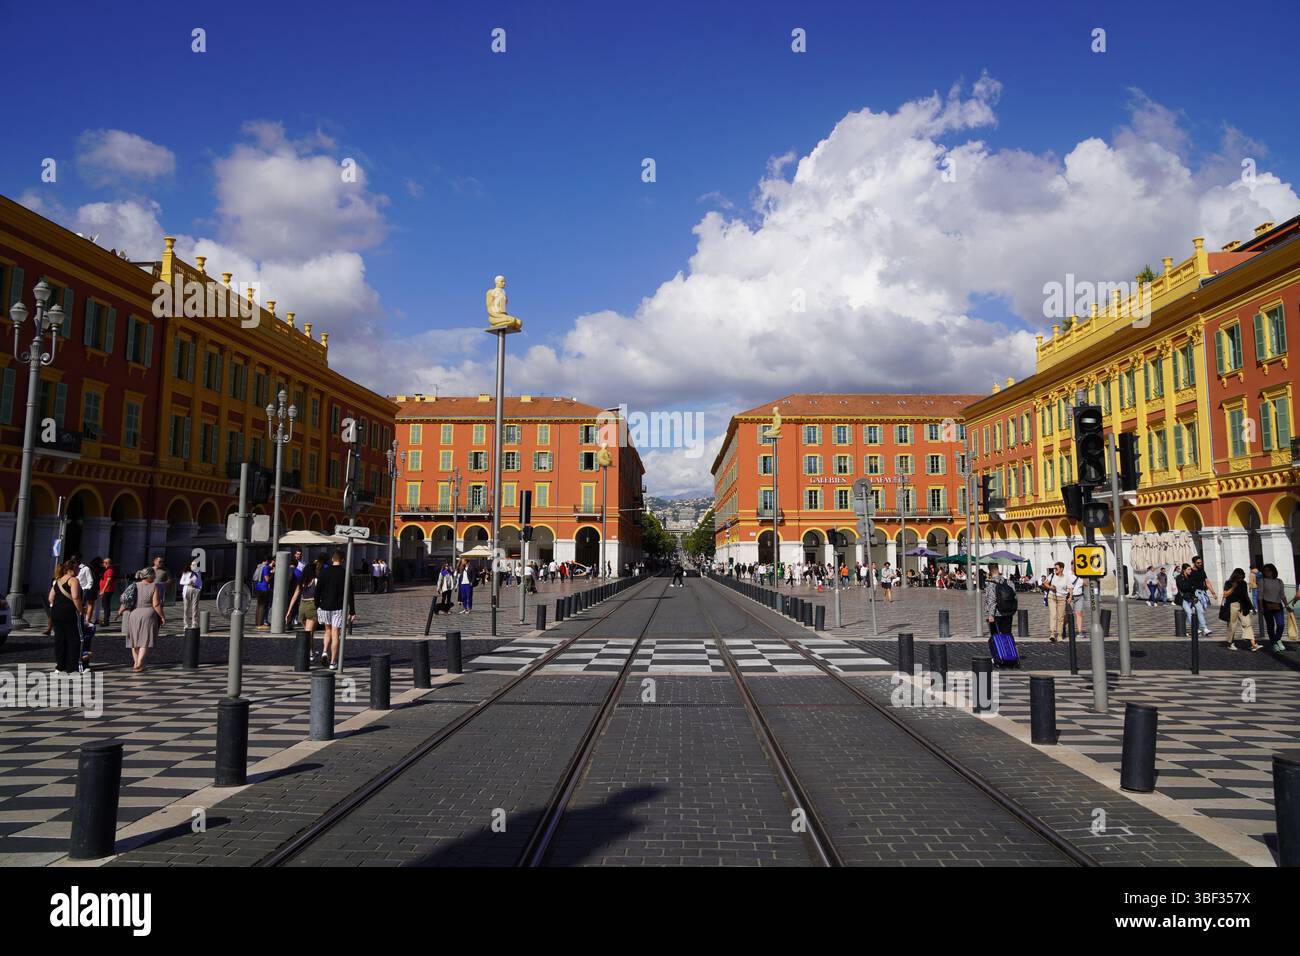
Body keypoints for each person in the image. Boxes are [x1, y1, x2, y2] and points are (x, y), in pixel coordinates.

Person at [315, 551, 354, 670]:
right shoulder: (345, 573)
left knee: (327, 630)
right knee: (335, 633)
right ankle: (333, 662)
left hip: (325, 606)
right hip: (338, 607)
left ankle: (325, 651)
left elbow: (317, 591)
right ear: (342, 560)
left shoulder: (324, 572)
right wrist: (352, 611)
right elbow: (350, 593)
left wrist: (317, 605)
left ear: (332, 559)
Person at [48, 560, 84, 674]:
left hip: (56, 612)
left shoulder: (58, 580)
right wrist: (81, 610)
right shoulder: (73, 580)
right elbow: (76, 596)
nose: (79, 570)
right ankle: (71, 666)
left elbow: (50, 598)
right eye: (78, 568)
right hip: (68, 612)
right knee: (73, 638)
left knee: (59, 639)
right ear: (72, 569)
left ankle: (60, 666)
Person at [127, 567, 165, 673]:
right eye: (154, 575)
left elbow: (126, 599)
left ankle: (136, 663)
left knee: (134, 641)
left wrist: (120, 612)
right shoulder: (154, 586)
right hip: (148, 613)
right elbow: (156, 604)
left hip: (134, 614)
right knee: (145, 640)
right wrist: (162, 616)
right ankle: (139, 663)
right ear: (150, 576)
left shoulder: (134, 585)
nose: (155, 577)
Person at [1220, 567, 1261, 651]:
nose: (1241, 579)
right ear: (1235, 576)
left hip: (1243, 606)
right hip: (1232, 605)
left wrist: (1252, 606)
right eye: (1240, 577)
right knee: (1232, 625)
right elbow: (1225, 594)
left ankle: (1253, 644)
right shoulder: (1228, 583)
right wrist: (1233, 587)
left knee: (1247, 623)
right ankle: (1231, 643)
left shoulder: (1243, 583)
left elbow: (1246, 595)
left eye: (1242, 577)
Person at [287, 561, 320, 660]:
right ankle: (308, 653)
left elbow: (294, 597)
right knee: (309, 633)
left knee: (309, 632)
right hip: (311, 606)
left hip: (302, 607)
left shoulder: (301, 581)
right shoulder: (315, 580)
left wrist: (289, 611)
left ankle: (311, 651)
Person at [1180, 556, 1217, 637]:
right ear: (1194, 563)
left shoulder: (1202, 570)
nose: (1200, 564)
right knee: (1199, 610)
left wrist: (1213, 592)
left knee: (1196, 611)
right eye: (1198, 563)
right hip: (1194, 593)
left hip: (1202, 592)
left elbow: (1207, 581)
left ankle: (1188, 628)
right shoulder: (1190, 571)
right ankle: (1204, 628)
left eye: (1201, 562)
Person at [1258, 563, 1289, 653]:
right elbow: (1260, 596)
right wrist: (1260, 607)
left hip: (1278, 604)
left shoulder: (1279, 581)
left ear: (1273, 571)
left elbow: (1282, 595)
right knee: (1270, 625)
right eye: (1265, 570)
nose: (1266, 572)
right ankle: (1273, 643)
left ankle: (1277, 639)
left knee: (1281, 624)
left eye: (1269, 570)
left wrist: (1286, 605)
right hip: (1266, 605)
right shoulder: (1262, 581)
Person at [985, 565, 1018, 640]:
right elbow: (1014, 596)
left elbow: (992, 600)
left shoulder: (991, 584)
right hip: (1008, 612)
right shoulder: (1009, 582)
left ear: (990, 572)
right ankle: (1009, 650)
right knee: (1007, 634)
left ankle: (1000, 651)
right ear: (998, 569)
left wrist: (991, 615)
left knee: (996, 637)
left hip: (997, 614)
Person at [1043, 562, 1072, 642]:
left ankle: (1059, 634)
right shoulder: (1052, 575)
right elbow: (1045, 583)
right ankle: (1052, 633)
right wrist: (1050, 587)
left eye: (1057, 568)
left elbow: (1070, 588)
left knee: (1060, 617)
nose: (1055, 570)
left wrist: (1070, 597)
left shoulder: (1066, 578)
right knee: (1053, 615)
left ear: (1062, 569)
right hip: (1052, 597)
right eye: (1054, 568)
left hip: (1062, 598)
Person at [179, 560, 203, 632]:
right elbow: (181, 582)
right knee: (186, 608)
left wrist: (199, 588)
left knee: (195, 607)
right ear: (190, 565)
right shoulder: (186, 573)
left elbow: (199, 581)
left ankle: (194, 624)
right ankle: (186, 625)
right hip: (187, 588)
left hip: (195, 589)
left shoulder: (198, 572)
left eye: (195, 565)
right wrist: (188, 582)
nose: (194, 566)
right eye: (192, 565)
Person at [73, 555, 94, 626]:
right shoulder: (71, 569)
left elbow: (90, 581)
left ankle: (82, 623)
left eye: (75, 560)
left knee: (81, 608)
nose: (73, 562)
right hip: (73, 590)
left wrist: (85, 590)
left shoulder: (86, 568)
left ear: (79, 559)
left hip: (82, 591)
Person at [94, 557, 115, 626]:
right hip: (105, 590)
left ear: (106, 563)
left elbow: (108, 580)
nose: (102, 564)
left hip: (107, 590)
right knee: (105, 605)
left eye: (103, 562)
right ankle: (105, 620)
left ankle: (106, 621)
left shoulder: (109, 570)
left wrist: (103, 590)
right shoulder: (106, 570)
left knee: (106, 605)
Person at [252, 557, 272, 629]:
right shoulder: (265, 567)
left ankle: (257, 623)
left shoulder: (259, 566)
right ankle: (260, 624)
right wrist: (271, 576)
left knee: (259, 606)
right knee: (263, 606)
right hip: (264, 588)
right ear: (267, 560)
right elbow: (267, 579)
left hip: (258, 587)